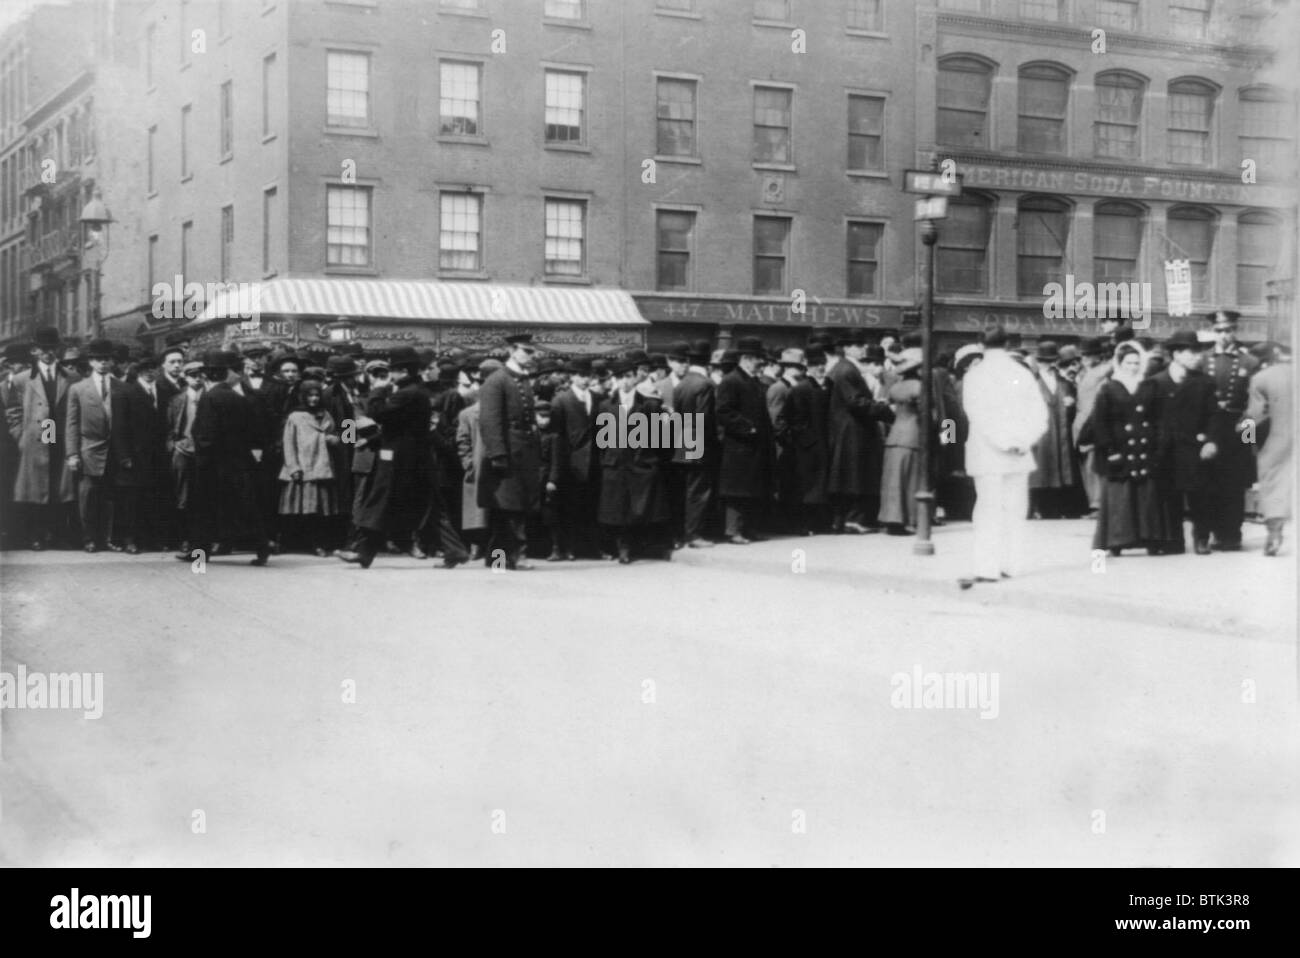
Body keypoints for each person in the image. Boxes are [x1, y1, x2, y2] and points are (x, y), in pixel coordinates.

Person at [959, 327, 1048, 589]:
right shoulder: (1022, 373)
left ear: (980, 345)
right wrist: (1022, 442)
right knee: (1015, 510)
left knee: (988, 510)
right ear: (1008, 343)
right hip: (1020, 455)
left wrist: (1004, 442)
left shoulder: (975, 375)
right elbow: (1039, 415)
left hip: (988, 454)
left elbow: (977, 415)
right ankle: (1011, 564)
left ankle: (987, 567)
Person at [1088, 342, 1181, 556]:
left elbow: (1160, 419)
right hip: (1120, 450)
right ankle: (1117, 540)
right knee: (1121, 497)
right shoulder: (1109, 388)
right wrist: (1110, 450)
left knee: (1147, 497)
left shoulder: (1150, 386)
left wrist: (1158, 448)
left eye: (1137, 363)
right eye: (1129, 363)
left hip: (1145, 449)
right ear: (1120, 363)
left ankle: (1151, 539)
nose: (1133, 367)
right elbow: (1100, 423)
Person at [182, 350, 271, 566]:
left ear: (208, 375)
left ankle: (199, 552)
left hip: (213, 463)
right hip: (239, 461)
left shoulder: (209, 398)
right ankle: (262, 546)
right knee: (244, 506)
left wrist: (201, 458)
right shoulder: (238, 398)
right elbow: (252, 431)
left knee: (204, 509)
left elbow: (205, 433)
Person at [7, 326, 78, 549]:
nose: (48, 353)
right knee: (36, 489)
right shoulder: (21, 379)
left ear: (57, 350)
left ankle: (56, 534)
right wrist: (20, 435)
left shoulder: (71, 377)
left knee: (59, 487)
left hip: (60, 438)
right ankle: (36, 535)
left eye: (52, 348)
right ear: (35, 351)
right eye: (43, 349)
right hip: (35, 440)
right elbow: (13, 410)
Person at [1149, 330, 1219, 555]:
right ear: (1176, 353)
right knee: (1169, 496)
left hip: (1194, 448)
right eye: (1192, 352)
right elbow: (1148, 418)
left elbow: (1214, 416)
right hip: (1166, 451)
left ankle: (1201, 538)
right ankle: (1172, 540)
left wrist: (1210, 441)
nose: (1197, 356)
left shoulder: (1205, 382)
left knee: (1200, 495)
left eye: (1199, 352)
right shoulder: (1156, 382)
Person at [596, 359, 673, 563]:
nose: (624, 382)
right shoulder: (605, 406)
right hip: (616, 465)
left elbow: (660, 438)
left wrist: (651, 460)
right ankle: (623, 548)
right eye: (619, 378)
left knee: (641, 509)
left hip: (640, 464)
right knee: (618, 510)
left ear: (635, 377)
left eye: (628, 377)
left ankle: (644, 545)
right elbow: (600, 439)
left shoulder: (649, 405)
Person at [476, 334, 542, 569]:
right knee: (508, 508)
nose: (531, 355)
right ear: (513, 351)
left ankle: (497, 558)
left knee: (514, 507)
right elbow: (489, 420)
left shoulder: (522, 380)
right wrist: (498, 454)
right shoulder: (497, 381)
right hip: (507, 454)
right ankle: (514, 556)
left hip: (523, 453)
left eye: (532, 351)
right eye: (526, 351)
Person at [825, 329, 893, 534]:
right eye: (857, 344)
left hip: (850, 428)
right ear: (846, 348)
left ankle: (849, 519)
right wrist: (884, 409)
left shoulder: (843, 369)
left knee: (852, 475)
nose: (862, 347)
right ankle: (854, 519)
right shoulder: (847, 370)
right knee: (855, 475)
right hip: (855, 430)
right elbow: (947, 416)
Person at [1202, 310, 1259, 550]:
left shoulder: (1250, 362)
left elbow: (1255, 403)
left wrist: (1249, 441)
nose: (1224, 335)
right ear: (1214, 331)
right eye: (1220, 330)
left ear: (1235, 331)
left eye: (1229, 330)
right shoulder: (1204, 360)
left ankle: (1233, 534)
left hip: (1238, 428)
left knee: (1235, 484)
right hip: (1211, 428)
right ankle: (1215, 531)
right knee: (1211, 482)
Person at [715, 336, 774, 545]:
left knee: (750, 489)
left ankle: (748, 528)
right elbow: (723, 411)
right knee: (737, 492)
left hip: (753, 446)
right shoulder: (731, 380)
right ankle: (734, 531)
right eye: (759, 359)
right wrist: (747, 427)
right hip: (739, 446)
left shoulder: (752, 380)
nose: (762, 363)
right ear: (748, 358)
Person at [65, 339, 121, 553]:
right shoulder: (78, 389)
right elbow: (71, 423)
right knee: (87, 497)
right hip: (88, 449)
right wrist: (72, 453)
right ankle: (89, 538)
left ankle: (107, 538)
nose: (103, 363)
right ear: (91, 362)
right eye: (98, 359)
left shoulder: (120, 386)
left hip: (114, 449)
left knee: (110, 497)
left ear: (112, 361)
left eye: (107, 359)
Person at [111, 353, 170, 553]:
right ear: (138, 371)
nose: (149, 372)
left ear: (158, 370)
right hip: (134, 456)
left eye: (153, 368)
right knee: (132, 499)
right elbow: (119, 427)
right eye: (145, 369)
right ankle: (130, 539)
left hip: (158, 456)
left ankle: (153, 538)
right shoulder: (126, 393)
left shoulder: (163, 392)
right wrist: (124, 456)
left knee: (154, 497)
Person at [280, 380, 342, 556]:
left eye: (316, 395)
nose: (314, 399)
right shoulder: (295, 417)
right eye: (310, 395)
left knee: (320, 510)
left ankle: (319, 543)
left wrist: (340, 439)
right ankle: (290, 542)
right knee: (299, 509)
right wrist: (293, 467)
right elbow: (288, 443)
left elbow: (344, 426)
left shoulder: (327, 413)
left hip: (322, 468)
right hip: (304, 467)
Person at [548, 356, 602, 559]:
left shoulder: (597, 398)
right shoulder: (561, 400)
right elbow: (557, 437)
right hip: (571, 462)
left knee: (592, 505)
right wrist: (556, 470)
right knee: (569, 507)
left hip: (595, 461)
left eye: (588, 375)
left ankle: (591, 547)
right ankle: (568, 547)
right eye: (581, 375)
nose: (585, 379)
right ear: (572, 377)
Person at [1244, 342, 1292, 556]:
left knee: (1273, 484)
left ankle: (1274, 530)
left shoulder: (1261, 378)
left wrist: (1248, 444)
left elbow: (1255, 416)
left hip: (1276, 441)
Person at [1028, 341, 1083, 519]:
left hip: (1060, 431)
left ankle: (1060, 506)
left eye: (1052, 360)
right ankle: (1040, 507)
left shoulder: (1064, 382)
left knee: (1061, 466)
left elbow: (1075, 404)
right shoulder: (1032, 382)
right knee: (1041, 468)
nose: (1049, 364)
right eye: (1045, 361)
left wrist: (1071, 403)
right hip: (1041, 432)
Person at [878, 347, 924, 535]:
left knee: (894, 479)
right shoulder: (922, 386)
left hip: (895, 435)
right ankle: (911, 519)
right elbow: (940, 415)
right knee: (912, 479)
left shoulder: (896, 387)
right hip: (915, 436)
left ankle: (892, 518)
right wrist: (949, 438)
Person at [166, 359, 205, 553]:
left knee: (203, 494)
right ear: (185, 377)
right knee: (182, 495)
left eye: (200, 375)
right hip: (182, 449)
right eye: (193, 375)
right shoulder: (177, 399)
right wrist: (173, 445)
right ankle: (184, 538)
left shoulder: (209, 398)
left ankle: (203, 539)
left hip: (203, 451)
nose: (197, 379)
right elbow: (169, 426)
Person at [768, 348, 805, 535]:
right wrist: (790, 441)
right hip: (783, 447)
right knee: (782, 485)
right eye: (796, 367)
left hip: (790, 446)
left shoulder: (792, 387)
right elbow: (776, 421)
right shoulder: (779, 388)